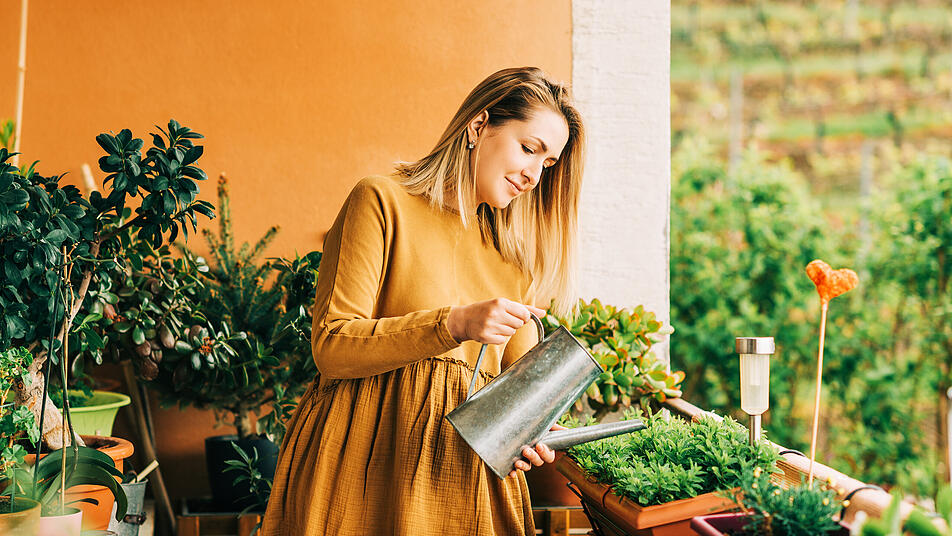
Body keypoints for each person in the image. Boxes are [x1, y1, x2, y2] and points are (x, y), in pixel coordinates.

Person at [259, 66, 585, 536]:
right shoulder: (381, 201)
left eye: (548, 163)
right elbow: (331, 346)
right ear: (478, 126)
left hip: (461, 483)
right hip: (358, 471)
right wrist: (454, 324)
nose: (534, 175)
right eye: (529, 148)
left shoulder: (513, 264)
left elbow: (519, 402)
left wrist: (530, 434)